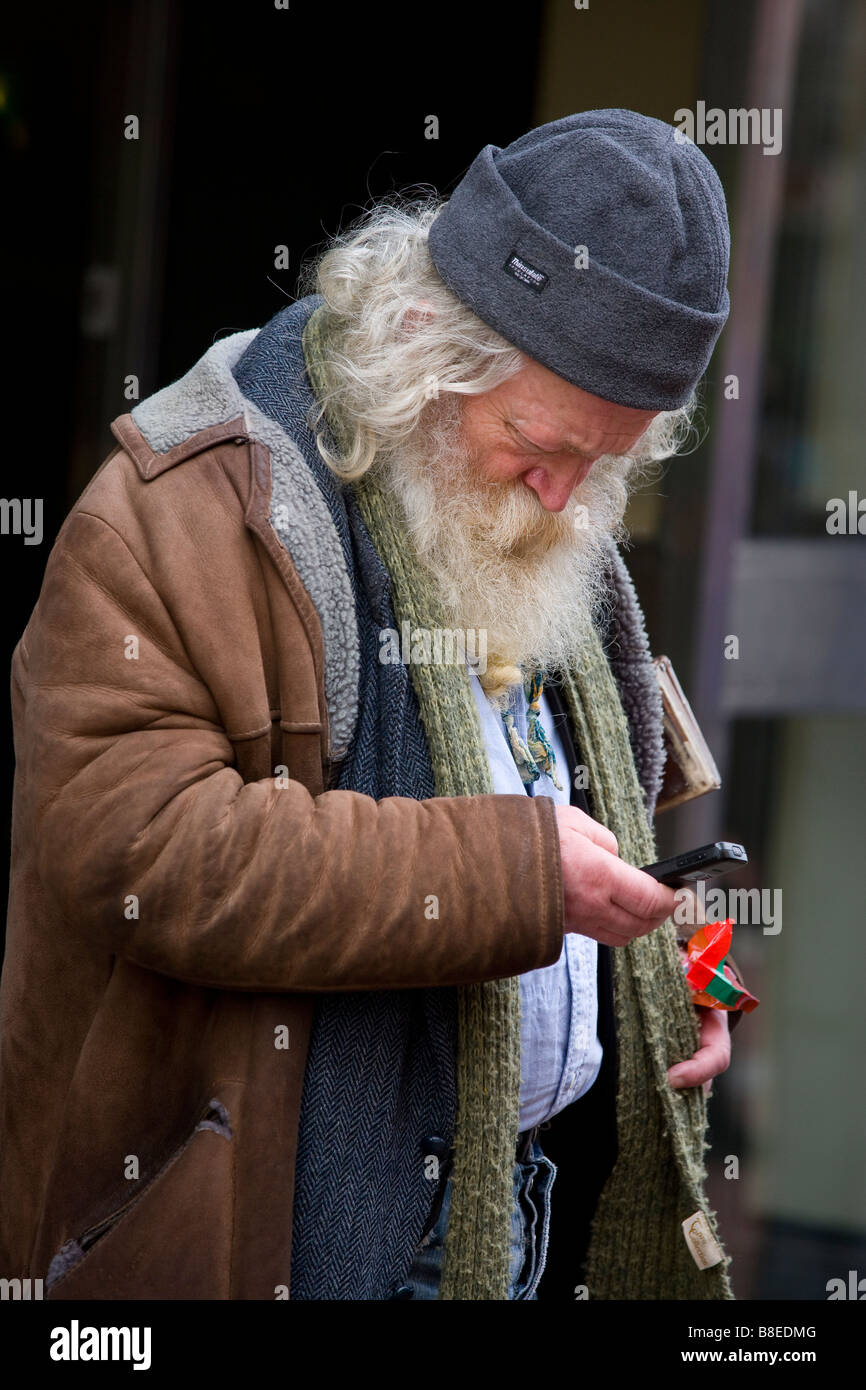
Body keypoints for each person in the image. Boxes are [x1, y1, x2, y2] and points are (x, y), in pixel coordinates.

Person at [0, 109, 745, 1301]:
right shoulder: (177, 506)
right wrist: (513, 875)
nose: (564, 497)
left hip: (516, 1199)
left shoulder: (547, 502)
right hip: (278, 1238)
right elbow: (134, 849)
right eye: (539, 446)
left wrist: (690, 973)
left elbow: (599, 793)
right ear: (425, 347)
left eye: (606, 464)